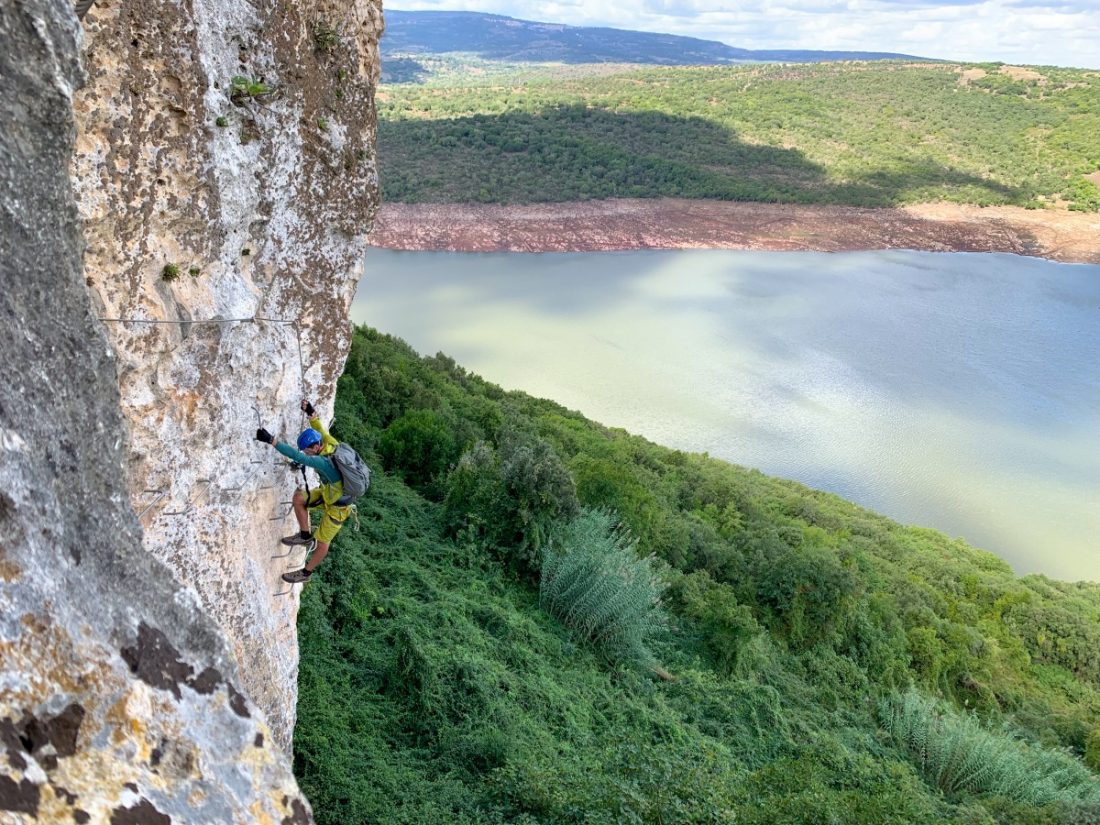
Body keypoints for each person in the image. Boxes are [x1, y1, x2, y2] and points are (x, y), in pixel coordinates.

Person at [254, 399, 352, 583]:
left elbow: (296, 456)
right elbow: (320, 428)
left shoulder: (322, 462)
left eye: (308, 451)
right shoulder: (331, 443)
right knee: (299, 498)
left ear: (315, 447)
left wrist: (271, 440)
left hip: (339, 508)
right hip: (329, 495)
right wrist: (310, 411)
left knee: (323, 542)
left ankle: (306, 573)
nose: (306, 454)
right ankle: (305, 535)